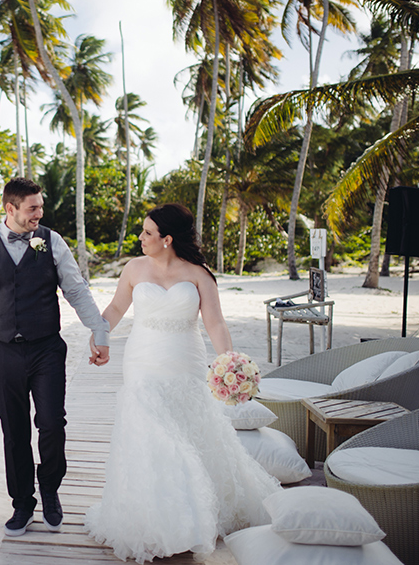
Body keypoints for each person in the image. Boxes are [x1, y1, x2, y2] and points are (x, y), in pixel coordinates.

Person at [84, 203, 279, 562]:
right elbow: (114, 309)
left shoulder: (198, 274)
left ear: (167, 239)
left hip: (184, 362)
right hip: (142, 362)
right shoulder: (134, 268)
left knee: (188, 433)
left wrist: (228, 363)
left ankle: (195, 516)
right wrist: (99, 336)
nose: (140, 238)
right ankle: (161, 519)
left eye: (147, 233)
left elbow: (215, 324)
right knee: (153, 435)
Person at [0, 177, 111, 537]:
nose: (39, 214)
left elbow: (75, 289)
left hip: (46, 349)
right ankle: (23, 502)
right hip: (2, 350)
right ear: (10, 209)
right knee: (15, 430)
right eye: (32, 208)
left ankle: (50, 490)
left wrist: (98, 330)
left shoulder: (52, 241)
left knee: (53, 423)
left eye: (40, 207)